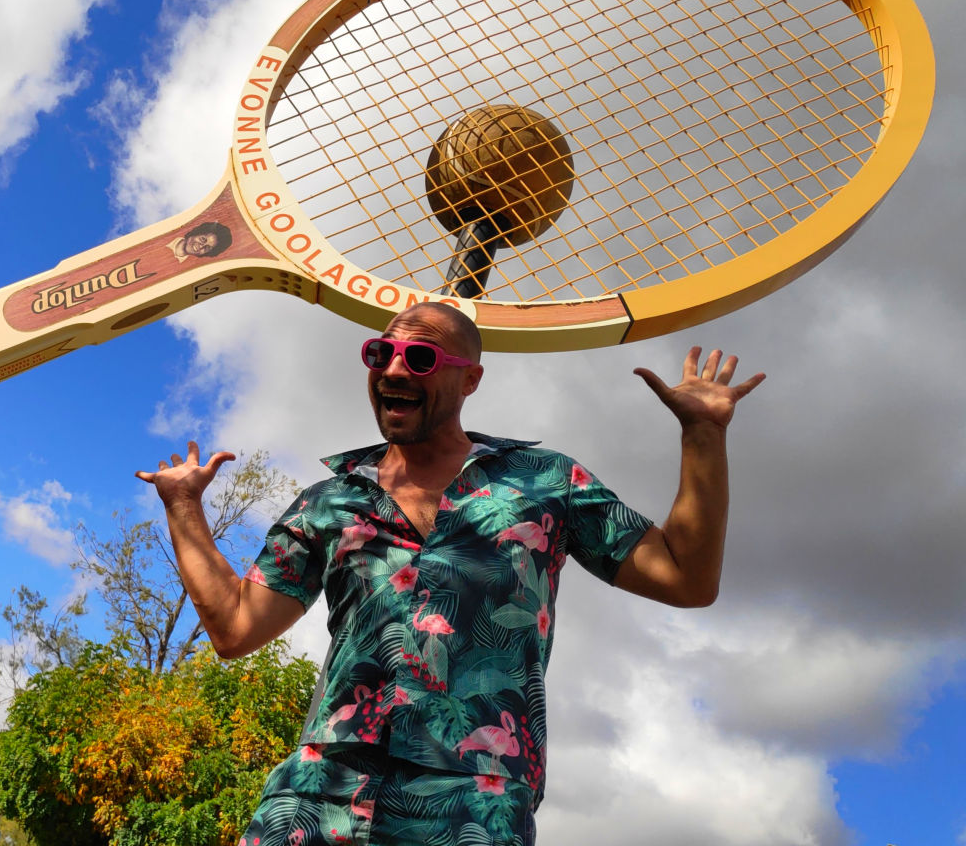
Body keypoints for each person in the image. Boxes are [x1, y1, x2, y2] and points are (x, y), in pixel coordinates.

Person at [137, 302, 764, 845]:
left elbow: (685, 578)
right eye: (381, 352)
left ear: (471, 380)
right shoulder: (331, 502)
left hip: (474, 802)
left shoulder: (544, 482)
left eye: (420, 358)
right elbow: (236, 627)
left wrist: (702, 434)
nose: (392, 369)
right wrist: (184, 507)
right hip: (317, 792)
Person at [167, 220, 233, 262]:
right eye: (203, 239)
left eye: (208, 247)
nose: (202, 246)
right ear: (195, 233)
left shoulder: (189, 268)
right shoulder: (168, 235)